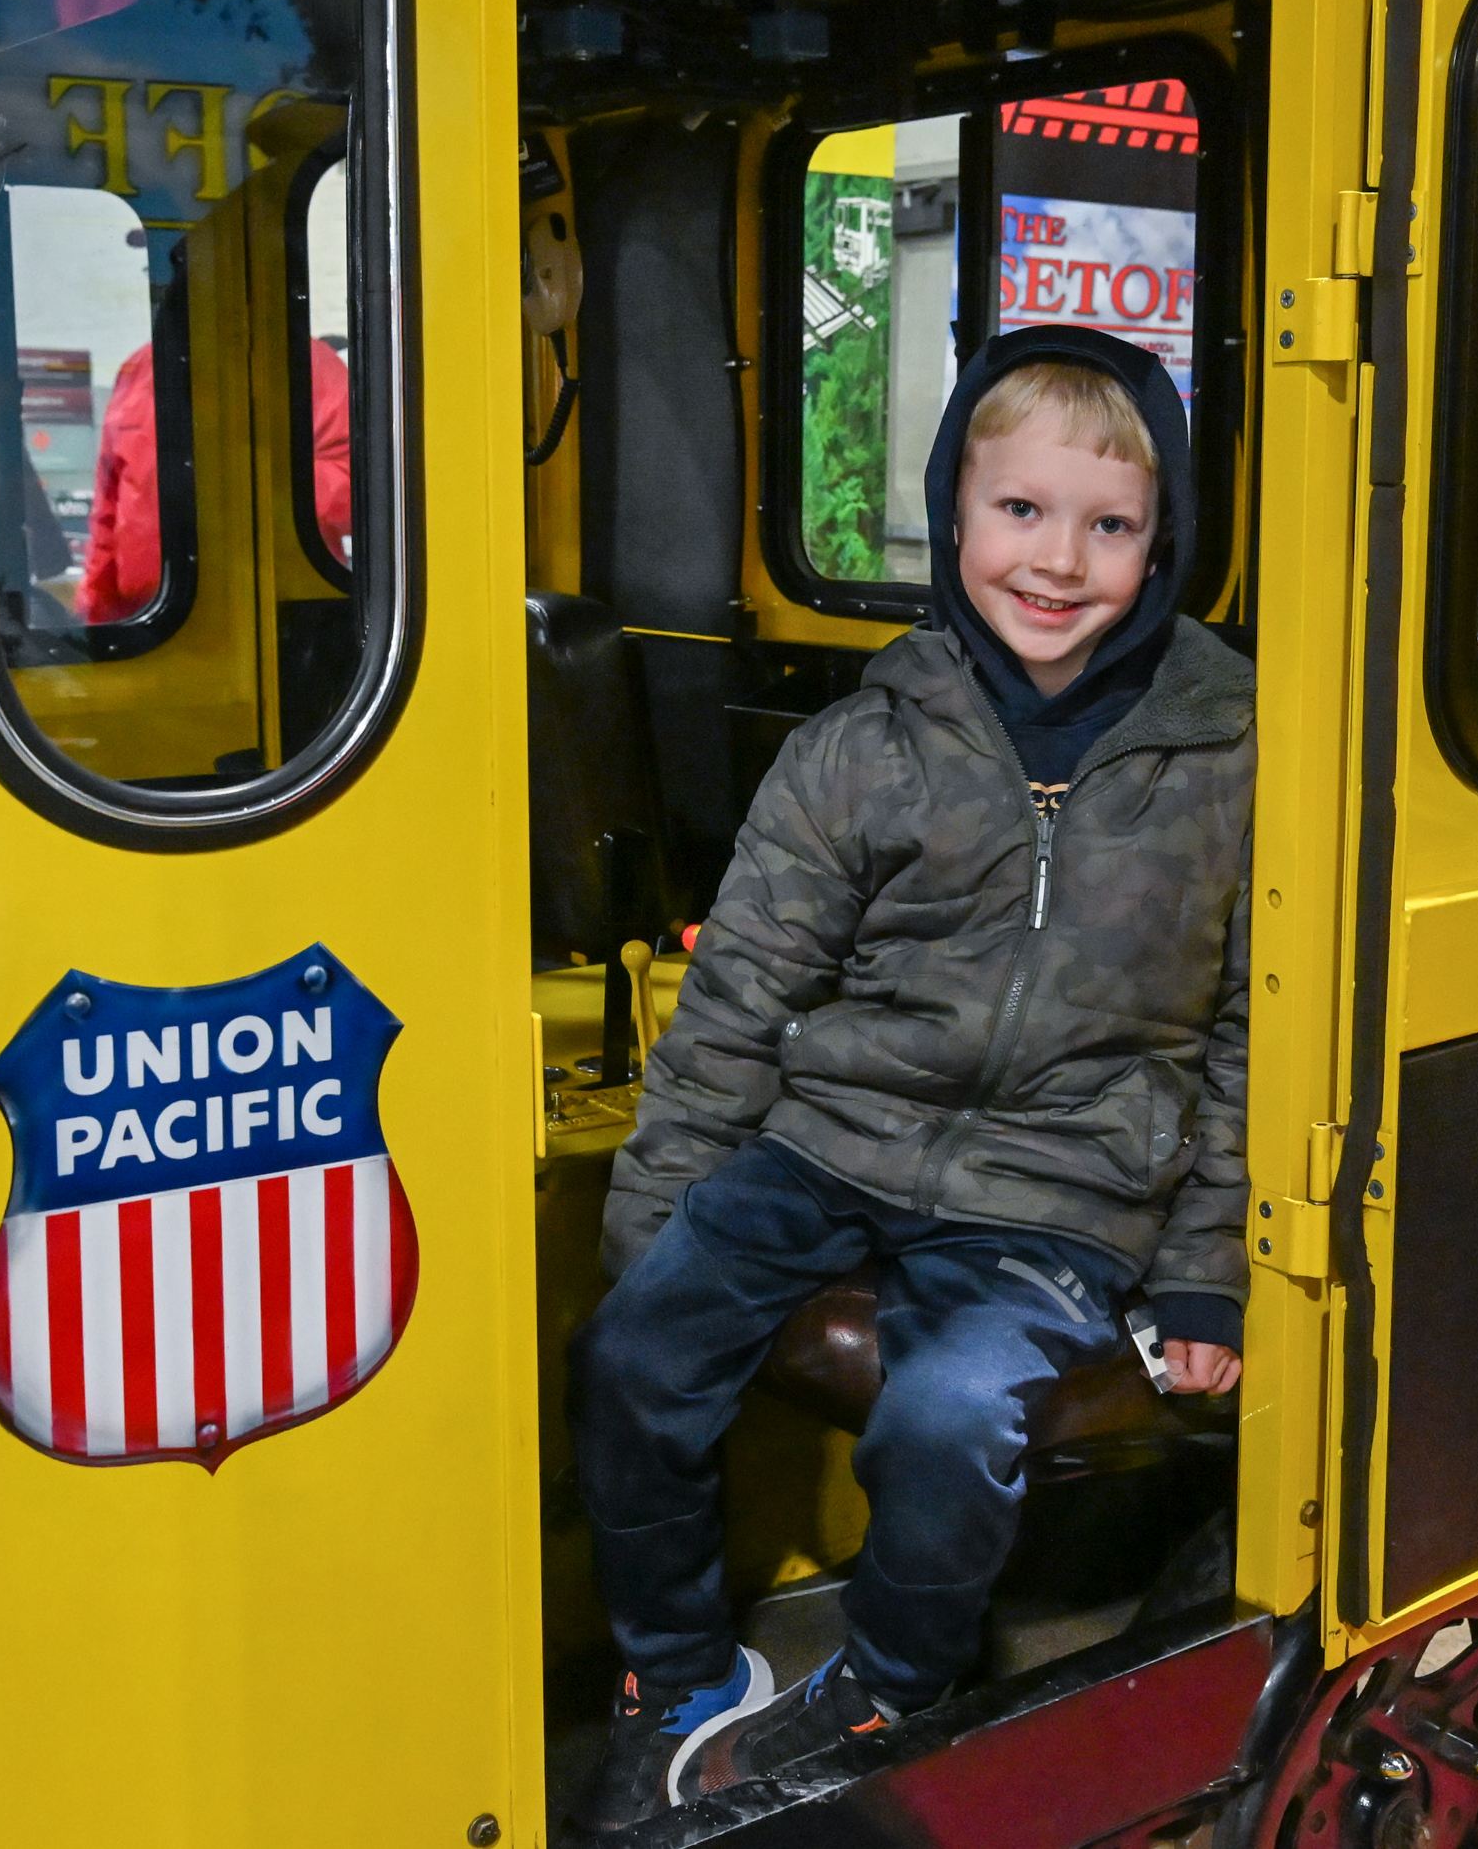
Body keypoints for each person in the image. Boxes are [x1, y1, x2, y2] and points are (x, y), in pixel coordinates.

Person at [567, 324, 1254, 1831]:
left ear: (1166, 541)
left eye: (1111, 524)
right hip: (836, 1140)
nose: (1060, 560)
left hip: (1064, 1181)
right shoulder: (863, 748)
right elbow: (743, 995)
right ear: (955, 516)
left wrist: (1205, 1275)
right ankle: (676, 1671)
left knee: (947, 1412)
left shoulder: (1237, 755)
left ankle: (889, 1679)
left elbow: (1246, 1034)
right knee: (634, 1352)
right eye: (1022, 511)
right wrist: (662, 1218)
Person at [73, 335, 352, 623]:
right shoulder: (141, 367)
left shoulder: (309, 364)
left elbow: (354, 488)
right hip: (151, 625)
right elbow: (109, 503)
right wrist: (96, 617)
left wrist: (248, 488)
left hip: (271, 620)